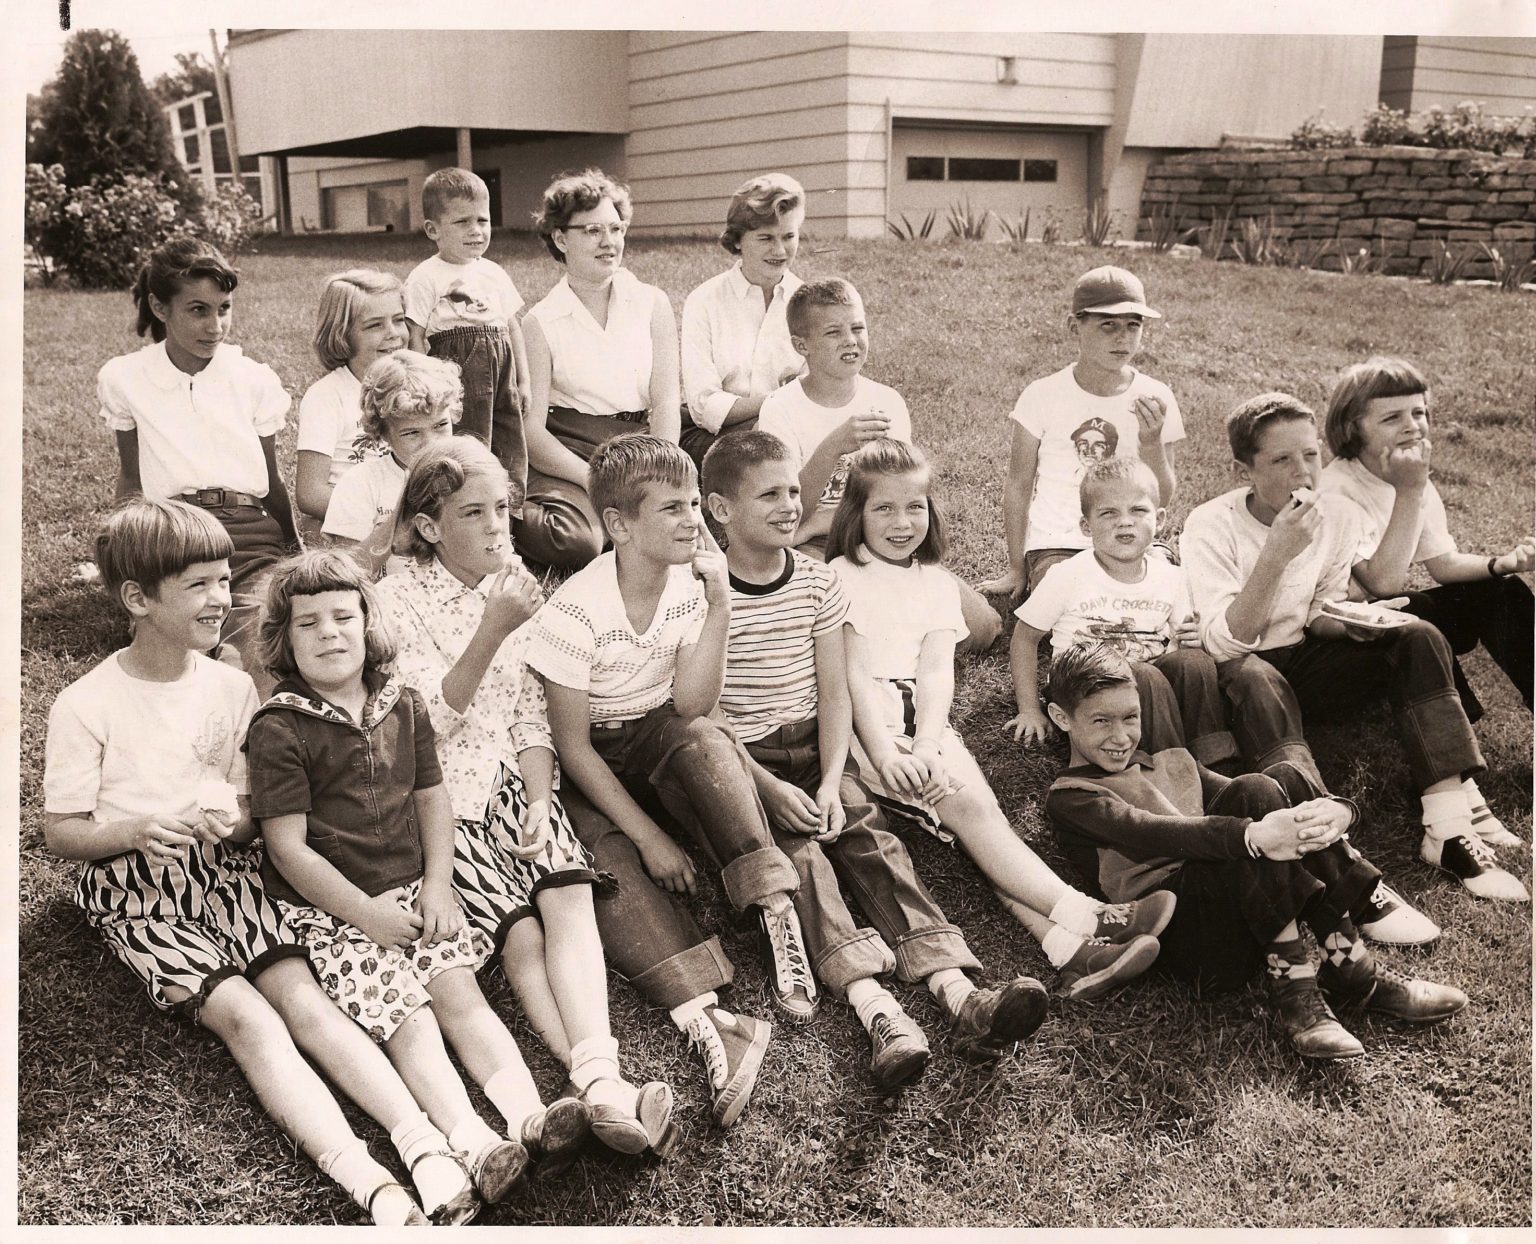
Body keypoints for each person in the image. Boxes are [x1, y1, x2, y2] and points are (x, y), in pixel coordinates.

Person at [42, 499, 469, 1226]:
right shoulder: (87, 703)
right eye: (200, 585)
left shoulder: (233, 686)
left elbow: (249, 813)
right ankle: (370, 1183)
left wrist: (235, 824)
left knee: (303, 1002)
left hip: (231, 872)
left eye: (224, 578)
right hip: (141, 893)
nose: (221, 598)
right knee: (248, 1019)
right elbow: (60, 832)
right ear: (138, 599)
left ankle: (423, 1146)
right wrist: (135, 831)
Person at [702, 430, 1074, 1084]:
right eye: (772, 495)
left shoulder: (817, 583)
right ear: (720, 509)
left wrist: (830, 776)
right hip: (748, 765)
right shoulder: (705, 595)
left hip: (821, 751)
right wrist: (769, 785)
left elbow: (835, 691)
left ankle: (963, 995)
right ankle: (878, 1011)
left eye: (794, 492)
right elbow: (703, 712)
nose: (790, 506)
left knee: (874, 841)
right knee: (806, 862)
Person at [249, 550, 577, 1214]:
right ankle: (472, 1141)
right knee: (410, 1018)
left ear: (369, 623)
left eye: (343, 616)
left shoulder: (402, 703)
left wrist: (437, 884)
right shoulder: (280, 728)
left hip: (412, 889)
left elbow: (432, 798)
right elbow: (288, 849)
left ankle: (527, 1116)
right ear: (284, 640)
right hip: (334, 910)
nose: (329, 633)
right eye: (308, 623)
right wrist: (364, 915)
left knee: (460, 995)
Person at [373, 439, 676, 1156]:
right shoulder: (393, 603)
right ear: (428, 527)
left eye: (502, 509)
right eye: (473, 513)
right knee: (521, 933)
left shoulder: (512, 586)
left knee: (566, 890)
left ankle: (599, 1078)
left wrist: (541, 798)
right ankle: (595, 1083)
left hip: (512, 782)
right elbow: (422, 728)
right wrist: (494, 628)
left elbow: (529, 716)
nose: (496, 526)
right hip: (442, 802)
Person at [1008, 459, 1439, 946]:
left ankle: (1214, 771)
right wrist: (1029, 708)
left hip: (1150, 697)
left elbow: (1179, 642)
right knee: (1147, 676)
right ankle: (1182, 801)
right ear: (1086, 526)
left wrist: (1187, 639)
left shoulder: (1170, 577)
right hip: (1098, 697)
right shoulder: (1068, 575)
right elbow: (1025, 637)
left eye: (1137, 510)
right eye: (1109, 513)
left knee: (1192, 662)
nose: (1125, 523)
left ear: (1159, 519)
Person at [827, 438, 1171, 997]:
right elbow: (854, 677)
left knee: (984, 822)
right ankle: (1091, 917)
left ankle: (1070, 953)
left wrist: (929, 744)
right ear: (855, 513)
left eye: (914, 506)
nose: (902, 522)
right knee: (971, 811)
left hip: (925, 725)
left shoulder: (936, 582)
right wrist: (889, 754)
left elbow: (936, 672)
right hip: (868, 732)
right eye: (883, 508)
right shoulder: (842, 576)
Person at [522, 435, 794, 1127]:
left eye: (694, 505)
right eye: (672, 509)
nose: (692, 522)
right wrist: (648, 838)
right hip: (589, 761)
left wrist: (721, 608)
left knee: (703, 740)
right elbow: (572, 748)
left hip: (655, 731)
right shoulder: (575, 612)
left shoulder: (689, 586)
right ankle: (711, 1019)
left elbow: (693, 705)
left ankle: (772, 908)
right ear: (618, 525)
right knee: (603, 862)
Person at [1042, 643, 1468, 1060]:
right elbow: (1152, 832)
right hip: (1188, 938)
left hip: (1243, 912)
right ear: (1062, 717)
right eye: (1101, 721)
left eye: (1131, 717)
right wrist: (1252, 835)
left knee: (1278, 779)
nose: (1120, 736)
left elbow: (1259, 797)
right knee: (1253, 805)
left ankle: (1350, 964)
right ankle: (1296, 987)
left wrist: (1338, 809)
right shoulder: (1071, 797)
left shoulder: (1165, 760)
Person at [1180, 392, 1527, 902]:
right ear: (1243, 471)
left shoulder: (1337, 515)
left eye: (1310, 454)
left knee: (1416, 633)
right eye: (1281, 459)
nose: (1303, 472)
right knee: (1255, 673)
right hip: (1239, 675)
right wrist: (1276, 555)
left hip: (1302, 660)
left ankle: (1448, 824)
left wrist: (1353, 627)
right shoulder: (1210, 525)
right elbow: (1224, 643)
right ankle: (1328, 845)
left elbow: (1318, 610)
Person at [1320, 356, 1532, 845]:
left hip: (1391, 615)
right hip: (1343, 636)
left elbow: (1443, 564)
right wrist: (1410, 491)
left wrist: (1500, 563)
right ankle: (1458, 768)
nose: (1412, 425)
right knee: (1414, 607)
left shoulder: (1409, 472)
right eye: (1392, 417)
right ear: (1352, 427)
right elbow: (1382, 583)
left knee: (1498, 590)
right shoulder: (1338, 488)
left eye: (1418, 413)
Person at [759, 278, 1001, 652]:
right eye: (833, 332)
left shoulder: (886, 400)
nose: (850, 341)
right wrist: (833, 447)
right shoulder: (780, 408)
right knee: (831, 627)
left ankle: (893, 633)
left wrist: (832, 518)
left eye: (858, 328)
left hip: (879, 535)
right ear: (801, 345)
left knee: (982, 627)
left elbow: (904, 492)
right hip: (813, 546)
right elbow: (786, 512)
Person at [99, 236, 299, 671]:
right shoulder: (126, 378)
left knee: (260, 636)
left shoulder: (253, 379)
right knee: (174, 638)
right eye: (198, 310)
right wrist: (120, 556)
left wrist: (294, 551)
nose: (215, 326)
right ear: (159, 307)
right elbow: (131, 479)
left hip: (248, 535)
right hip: (174, 536)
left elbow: (272, 479)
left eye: (224, 308)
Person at [980, 265, 1183, 602]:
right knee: (1070, 599)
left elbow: (1162, 496)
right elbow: (1018, 485)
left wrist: (1151, 443)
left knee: (1165, 593)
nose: (1123, 338)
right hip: (1059, 542)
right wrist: (1017, 569)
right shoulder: (1042, 394)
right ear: (1074, 326)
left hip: (1130, 538)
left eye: (1133, 325)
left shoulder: (1155, 396)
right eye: (1108, 325)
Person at [517, 169, 682, 570]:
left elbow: (665, 400)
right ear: (561, 239)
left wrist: (661, 466)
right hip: (573, 445)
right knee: (577, 542)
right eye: (592, 230)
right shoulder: (541, 321)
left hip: (641, 441)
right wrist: (592, 479)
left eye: (615, 228)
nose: (609, 242)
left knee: (681, 521)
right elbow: (532, 431)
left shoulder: (651, 303)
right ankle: (504, 509)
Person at [403, 167, 530, 486]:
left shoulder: (494, 272)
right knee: (469, 438)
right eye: (462, 222)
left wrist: (524, 381)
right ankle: (468, 494)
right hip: (458, 366)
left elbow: (513, 327)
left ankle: (510, 504)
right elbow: (414, 335)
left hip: (502, 367)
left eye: (482, 221)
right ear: (433, 229)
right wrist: (425, 385)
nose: (476, 231)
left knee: (508, 435)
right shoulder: (426, 276)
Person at [678, 173, 807, 468]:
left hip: (792, 430)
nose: (780, 250)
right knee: (770, 448)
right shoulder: (704, 301)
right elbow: (705, 406)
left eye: (789, 236)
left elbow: (818, 389)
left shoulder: (807, 302)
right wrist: (780, 400)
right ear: (738, 241)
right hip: (713, 439)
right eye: (766, 238)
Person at [321, 351, 459, 574]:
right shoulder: (360, 484)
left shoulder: (470, 473)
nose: (431, 443)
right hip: (385, 594)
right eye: (412, 433)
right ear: (382, 433)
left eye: (441, 425)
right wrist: (400, 519)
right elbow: (344, 576)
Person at [294, 269, 405, 541]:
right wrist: (383, 521)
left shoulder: (413, 389)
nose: (393, 333)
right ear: (342, 334)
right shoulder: (327, 396)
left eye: (399, 320)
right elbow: (310, 493)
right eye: (375, 325)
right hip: (349, 526)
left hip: (407, 520)